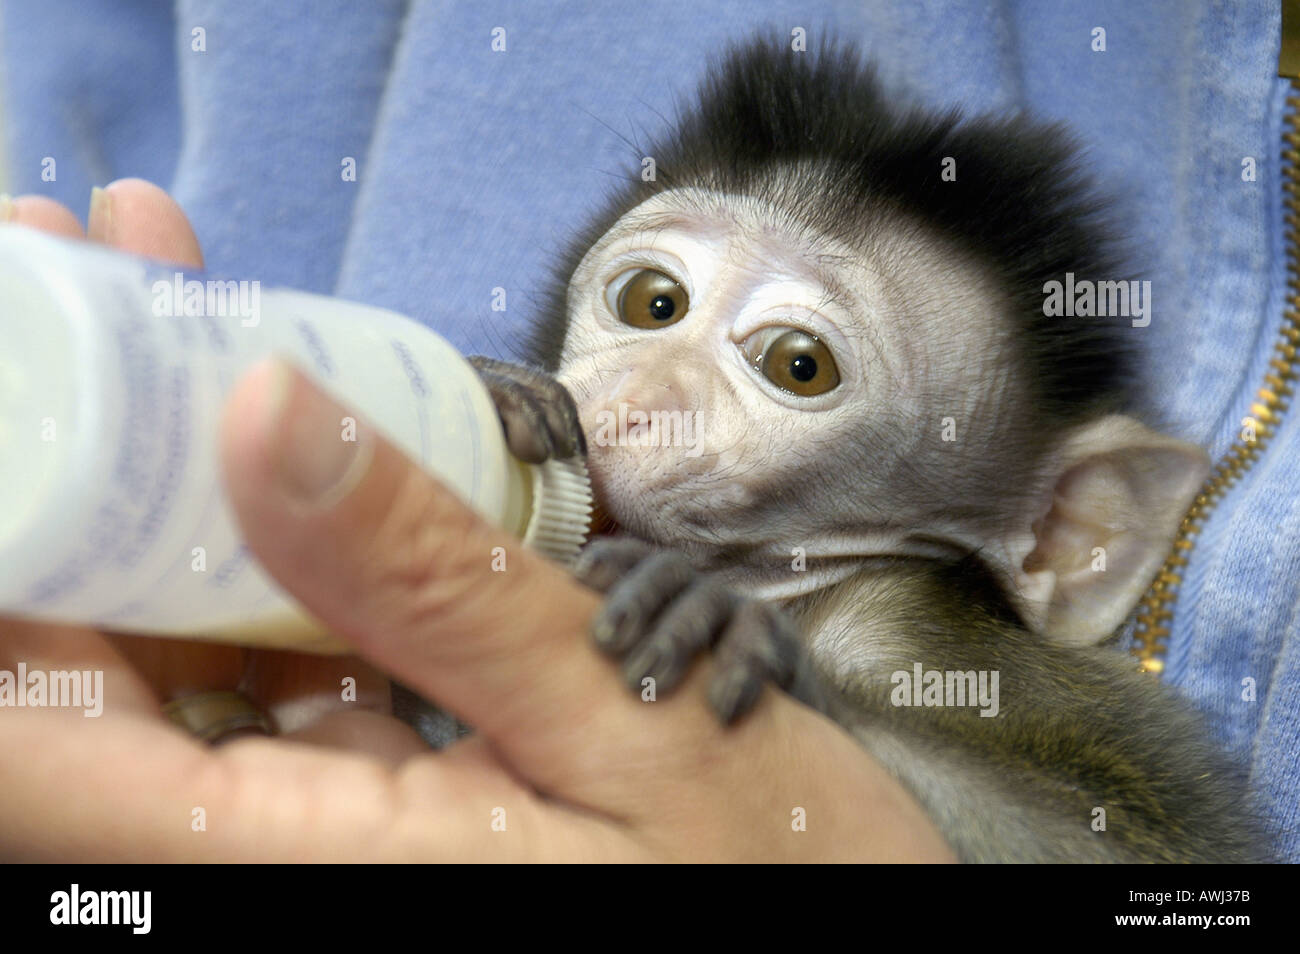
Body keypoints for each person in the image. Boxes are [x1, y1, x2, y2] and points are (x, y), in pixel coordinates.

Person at [0, 0, 1295, 860]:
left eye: (796, 361)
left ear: (1071, 532)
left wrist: (807, 720)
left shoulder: (943, 661)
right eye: (651, 298)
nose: (640, 396)